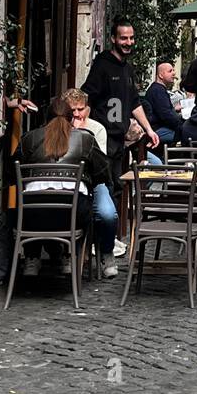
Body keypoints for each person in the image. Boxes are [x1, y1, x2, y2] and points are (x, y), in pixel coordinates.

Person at [17, 95, 111, 279]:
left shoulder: (29, 138)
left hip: (31, 216)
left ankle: (32, 258)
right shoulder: (85, 139)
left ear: (46, 118)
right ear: (71, 118)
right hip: (72, 216)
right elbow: (103, 173)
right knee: (80, 207)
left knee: (33, 201)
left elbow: (13, 174)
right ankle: (70, 257)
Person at [82, 18, 159, 194]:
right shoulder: (102, 65)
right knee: (104, 189)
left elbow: (134, 102)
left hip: (120, 141)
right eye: (124, 38)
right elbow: (86, 97)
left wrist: (149, 130)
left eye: (131, 38)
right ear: (113, 39)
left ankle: (118, 220)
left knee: (118, 188)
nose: (128, 42)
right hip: (103, 140)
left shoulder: (127, 69)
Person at [61, 89, 120, 278]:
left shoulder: (97, 129)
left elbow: (99, 163)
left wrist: (81, 134)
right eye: (72, 110)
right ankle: (66, 254)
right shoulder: (58, 128)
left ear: (88, 109)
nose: (77, 114)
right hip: (66, 181)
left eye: (80, 109)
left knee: (108, 214)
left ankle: (107, 252)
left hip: (93, 181)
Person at [143, 61, 185, 147]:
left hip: (158, 127)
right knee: (186, 134)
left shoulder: (157, 89)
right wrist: (183, 123)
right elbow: (166, 115)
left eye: (173, 70)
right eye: (170, 71)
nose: (174, 73)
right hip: (157, 129)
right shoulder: (158, 91)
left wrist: (173, 109)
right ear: (161, 75)